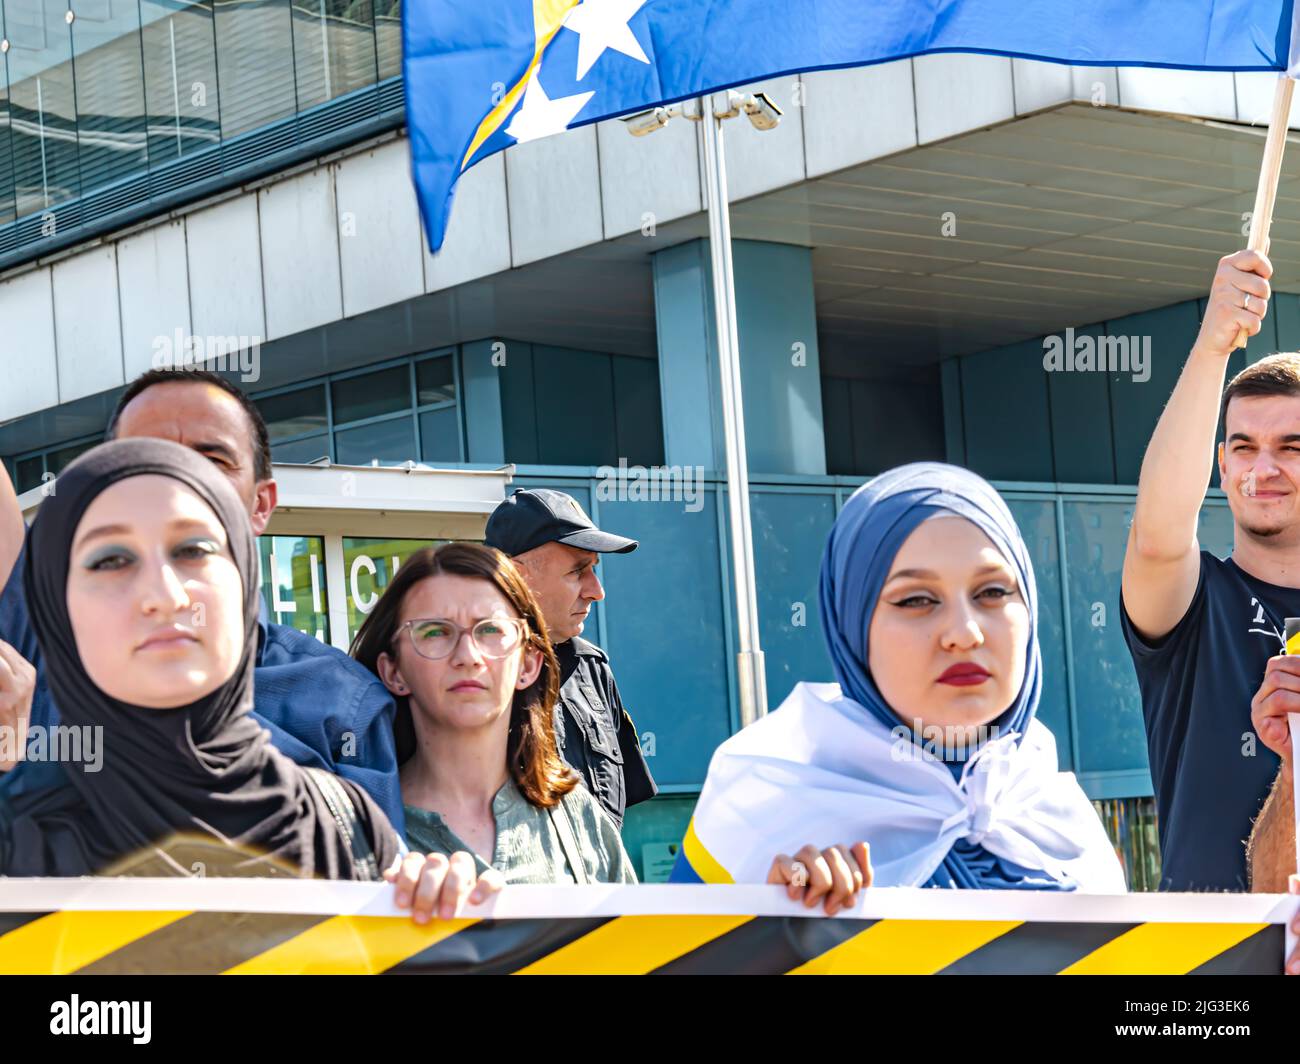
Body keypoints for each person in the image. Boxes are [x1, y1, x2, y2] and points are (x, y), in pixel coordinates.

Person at [0, 437, 498, 922]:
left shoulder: (347, 823)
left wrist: (433, 914)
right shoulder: (15, 836)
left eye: (193, 549)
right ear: (56, 608)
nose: (163, 593)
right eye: (111, 560)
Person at [671, 463, 1125, 912]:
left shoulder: (1057, 818)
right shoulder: (759, 819)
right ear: (852, 627)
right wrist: (763, 931)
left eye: (992, 592)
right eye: (916, 600)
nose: (965, 633)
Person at [0, 368, 403, 834]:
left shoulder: (345, 703)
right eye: (149, 459)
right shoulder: (42, 651)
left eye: (212, 459)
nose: (180, 479)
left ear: (261, 504)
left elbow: (380, 888)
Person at [1117, 248, 1300, 892]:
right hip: (1202, 981)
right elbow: (1158, 534)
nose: (1262, 469)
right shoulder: (1195, 605)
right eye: (1243, 447)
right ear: (1221, 468)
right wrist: (1214, 344)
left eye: (1291, 447)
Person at [351, 542, 635, 883]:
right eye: (435, 632)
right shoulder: (350, 832)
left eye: (490, 630)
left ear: (528, 665)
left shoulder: (579, 818)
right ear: (394, 671)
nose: (467, 655)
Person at [484, 488, 655, 828]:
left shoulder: (592, 668)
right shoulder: (472, 675)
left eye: (594, 569)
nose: (597, 591)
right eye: (578, 571)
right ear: (517, 575)